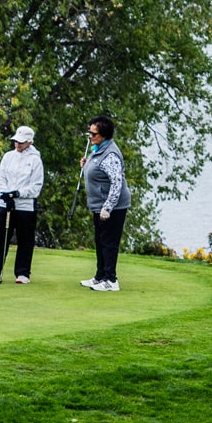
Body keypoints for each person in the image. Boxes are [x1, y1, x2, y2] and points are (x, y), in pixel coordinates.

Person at [0, 125, 44, 284]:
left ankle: (22, 273)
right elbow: (0, 179)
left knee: (25, 239)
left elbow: (36, 187)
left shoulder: (35, 160)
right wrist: (5, 193)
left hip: (25, 207)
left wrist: (17, 193)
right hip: (5, 204)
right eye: (16, 141)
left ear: (29, 141)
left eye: (21, 142)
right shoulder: (8, 156)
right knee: (0, 238)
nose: (17, 144)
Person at [79, 114, 129, 291]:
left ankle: (111, 280)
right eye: (90, 133)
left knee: (109, 243)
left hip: (112, 207)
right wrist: (86, 166)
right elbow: (98, 172)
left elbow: (117, 183)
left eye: (93, 134)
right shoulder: (97, 149)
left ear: (104, 136)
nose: (90, 137)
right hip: (98, 205)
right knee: (100, 242)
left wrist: (107, 208)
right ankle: (100, 276)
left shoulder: (111, 155)